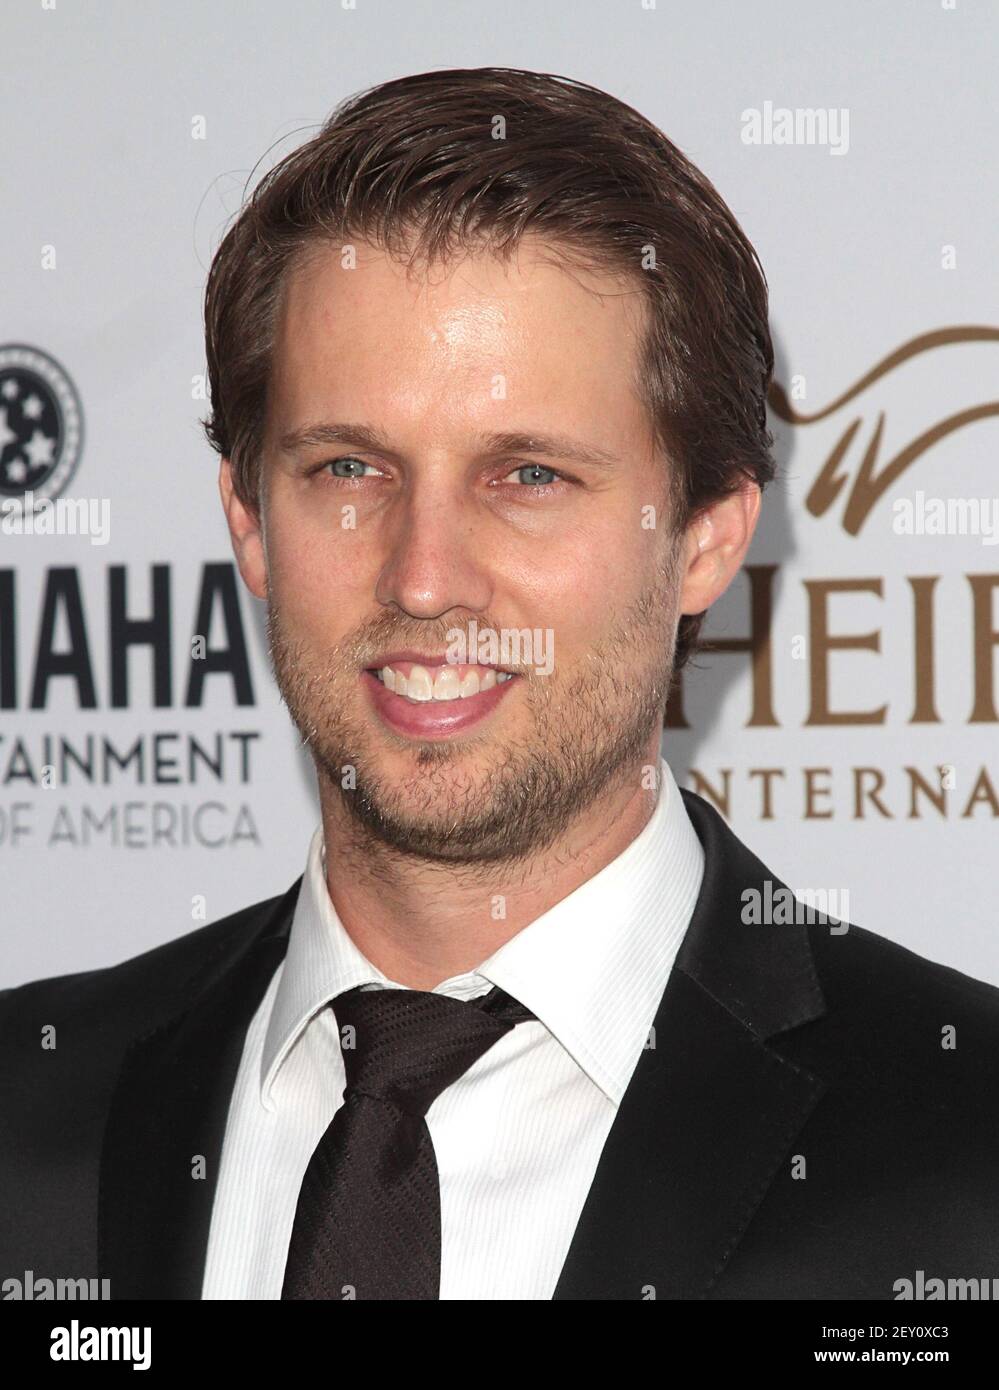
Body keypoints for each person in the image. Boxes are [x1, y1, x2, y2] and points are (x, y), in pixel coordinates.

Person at [2, 66, 998, 1302]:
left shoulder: (965, 1143)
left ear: (705, 537)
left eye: (527, 476)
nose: (424, 579)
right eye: (350, 467)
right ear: (250, 522)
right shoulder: (29, 1110)